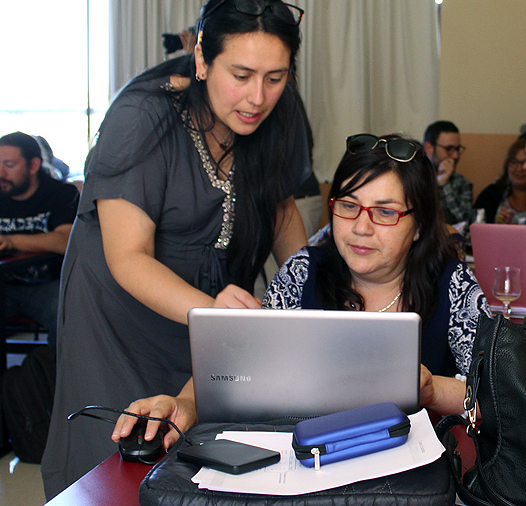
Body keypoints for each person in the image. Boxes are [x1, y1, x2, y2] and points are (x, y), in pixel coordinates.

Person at [42, 0, 311, 498]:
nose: (258, 97)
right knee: (119, 458)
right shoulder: (143, 116)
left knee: (206, 459)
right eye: (241, 76)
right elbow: (128, 257)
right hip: (120, 318)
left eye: (275, 78)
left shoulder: (279, 112)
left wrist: (307, 287)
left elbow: (280, 212)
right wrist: (214, 316)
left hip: (209, 312)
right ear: (202, 59)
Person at [113, 133, 491, 448]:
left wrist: (431, 390)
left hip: (413, 472)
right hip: (305, 462)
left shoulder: (454, 286)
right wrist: (185, 403)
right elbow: (240, 363)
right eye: (348, 206)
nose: (361, 228)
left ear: (420, 224)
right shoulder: (303, 272)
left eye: (385, 212)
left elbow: (496, 393)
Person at [0, 132, 79, 344]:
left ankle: (48, 365)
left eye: (9, 165)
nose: (1, 173)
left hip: (50, 286)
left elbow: (66, 241)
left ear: (34, 165)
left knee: (72, 312)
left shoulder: (61, 193)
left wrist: (11, 241)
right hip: (4, 287)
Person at [473, 136, 526, 224]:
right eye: (514, 162)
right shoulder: (491, 194)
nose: (519, 169)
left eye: (524, 162)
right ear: (507, 166)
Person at [423, 120, 472, 226]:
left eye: (457, 149)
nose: (455, 155)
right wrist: (437, 185)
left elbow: (464, 222)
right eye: (449, 149)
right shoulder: (414, 178)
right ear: (429, 148)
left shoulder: (462, 183)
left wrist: (444, 185)